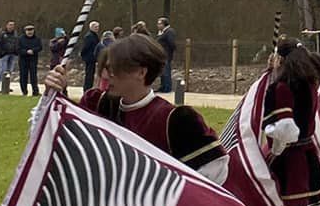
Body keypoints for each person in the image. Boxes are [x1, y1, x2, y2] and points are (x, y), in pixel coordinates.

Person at [43, 33, 224, 175]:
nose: (105, 76)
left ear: (141, 72)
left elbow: (212, 175)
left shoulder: (176, 121)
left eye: (113, 70)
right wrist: (54, 92)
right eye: (105, 69)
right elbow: (58, 138)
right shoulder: (98, 104)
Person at [256, 41, 320, 206]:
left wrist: (275, 152)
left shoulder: (283, 87)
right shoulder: (308, 83)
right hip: (306, 158)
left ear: (281, 59)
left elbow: (286, 129)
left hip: (290, 165)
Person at [16, 23, 43, 97]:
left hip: (33, 59)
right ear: (25, 31)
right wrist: (26, 51)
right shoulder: (20, 39)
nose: (30, 32)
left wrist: (33, 50)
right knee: (23, 76)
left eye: (31, 30)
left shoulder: (37, 39)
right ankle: (24, 91)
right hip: (23, 60)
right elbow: (18, 49)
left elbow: (40, 47)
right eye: (28, 30)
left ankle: (35, 91)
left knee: (33, 76)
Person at [79, 19, 102, 91]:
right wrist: (82, 54)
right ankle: (87, 88)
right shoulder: (89, 36)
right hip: (89, 58)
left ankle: (89, 87)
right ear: (91, 27)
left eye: (98, 27)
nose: (97, 28)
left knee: (91, 74)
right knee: (89, 75)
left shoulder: (94, 36)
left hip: (92, 58)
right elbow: (86, 46)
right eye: (95, 27)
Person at [158, 16, 178, 94]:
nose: (158, 25)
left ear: (164, 24)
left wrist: (169, 52)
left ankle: (167, 88)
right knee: (162, 71)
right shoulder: (162, 32)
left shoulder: (169, 31)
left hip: (166, 54)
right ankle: (163, 87)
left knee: (166, 71)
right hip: (161, 54)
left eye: (159, 24)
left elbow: (171, 43)